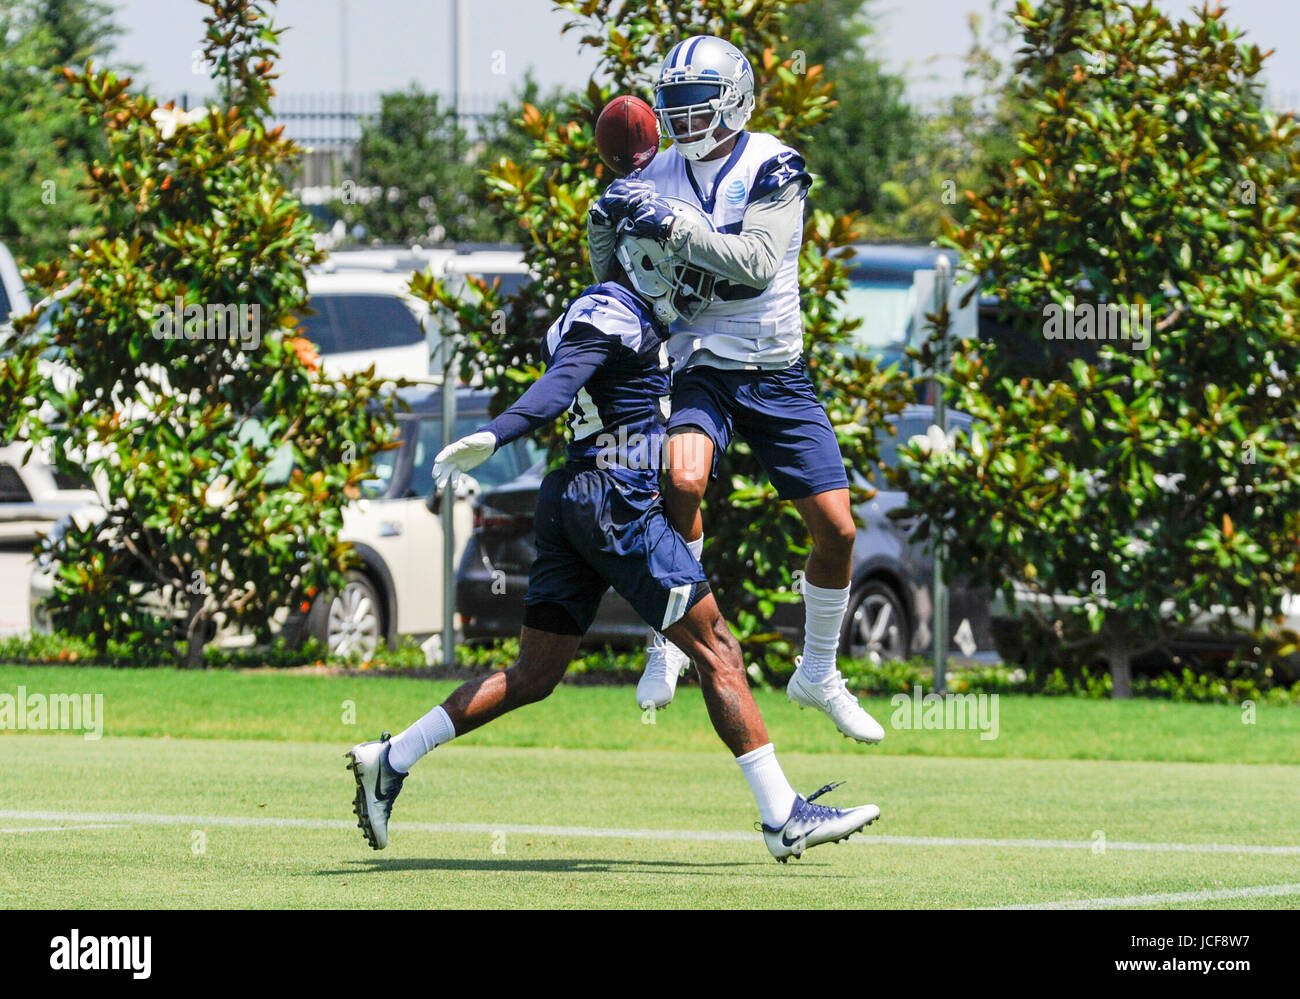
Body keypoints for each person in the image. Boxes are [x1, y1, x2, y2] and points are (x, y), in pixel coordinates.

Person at [346, 203, 879, 862]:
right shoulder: (610, 312)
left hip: (573, 496)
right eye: (674, 259)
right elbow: (557, 383)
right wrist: (495, 432)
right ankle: (782, 815)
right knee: (719, 649)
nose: (687, 274)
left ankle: (392, 756)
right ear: (644, 260)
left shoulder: (630, 311)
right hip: (616, 501)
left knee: (535, 673)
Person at [586, 35, 885, 744]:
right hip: (700, 365)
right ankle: (667, 640)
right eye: (675, 106)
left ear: (735, 101)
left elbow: (753, 265)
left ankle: (818, 671)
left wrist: (676, 228)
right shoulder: (654, 174)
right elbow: (613, 282)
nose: (685, 119)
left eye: (698, 104)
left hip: (776, 368)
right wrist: (605, 224)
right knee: (681, 482)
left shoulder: (773, 164)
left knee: (837, 528)